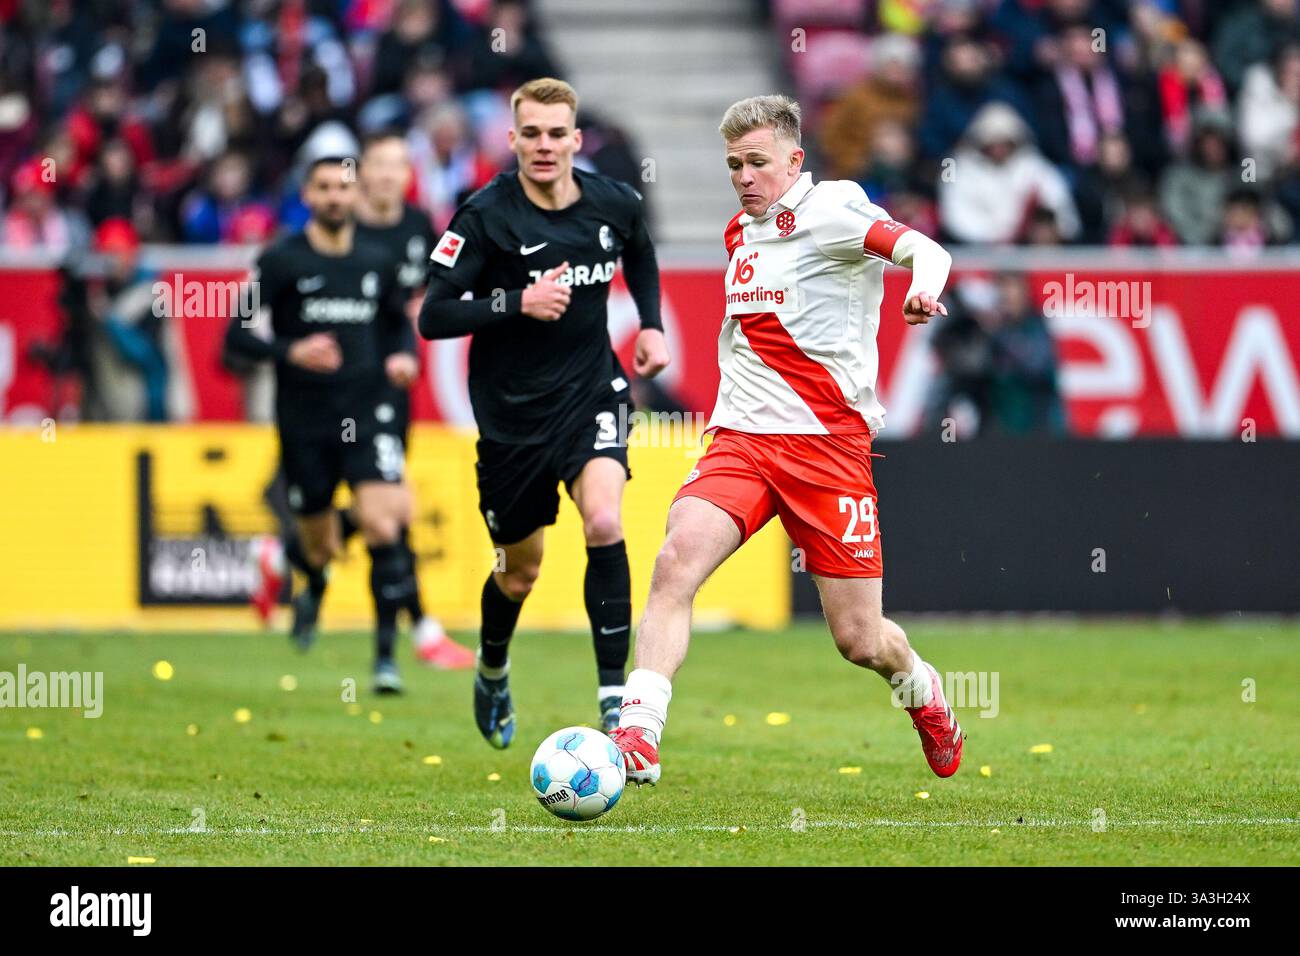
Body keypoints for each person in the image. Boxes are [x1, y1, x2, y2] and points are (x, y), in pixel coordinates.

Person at [610, 95, 964, 785]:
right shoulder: (739, 234)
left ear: (795, 161)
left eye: (757, 163)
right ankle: (639, 732)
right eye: (734, 165)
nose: (744, 177)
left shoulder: (833, 210)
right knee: (675, 560)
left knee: (861, 640)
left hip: (827, 449)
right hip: (741, 439)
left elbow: (924, 247)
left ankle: (925, 695)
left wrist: (921, 289)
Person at [418, 78, 670, 747]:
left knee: (606, 519)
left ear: (576, 139)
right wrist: (513, 303)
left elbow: (639, 251)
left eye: (557, 133)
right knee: (518, 570)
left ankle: (615, 702)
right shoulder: (485, 217)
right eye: (531, 133)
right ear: (512, 139)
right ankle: (493, 666)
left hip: (592, 394)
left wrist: (651, 325)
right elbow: (432, 315)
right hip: (511, 420)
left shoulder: (613, 203)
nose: (545, 145)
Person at [224, 155, 423, 694]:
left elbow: (398, 326)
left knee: (384, 523)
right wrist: (292, 350)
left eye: (344, 187)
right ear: (306, 195)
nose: (336, 196)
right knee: (322, 546)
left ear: (356, 196)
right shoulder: (282, 259)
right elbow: (236, 337)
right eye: (324, 187)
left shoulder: (378, 260)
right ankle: (309, 578)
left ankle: (386, 660)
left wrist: (405, 359)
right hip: (305, 419)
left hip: (370, 409)